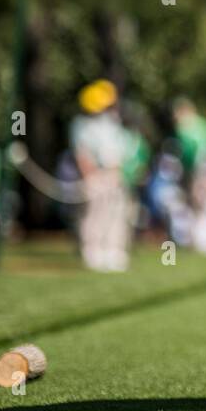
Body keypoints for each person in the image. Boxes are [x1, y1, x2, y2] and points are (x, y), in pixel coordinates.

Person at [70, 80, 135, 272]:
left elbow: (120, 152)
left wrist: (118, 173)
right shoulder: (82, 125)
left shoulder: (112, 123)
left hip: (114, 176)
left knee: (116, 215)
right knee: (95, 216)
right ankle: (93, 252)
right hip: (96, 176)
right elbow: (82, 155)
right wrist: (91, 175)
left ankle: (114, 252)